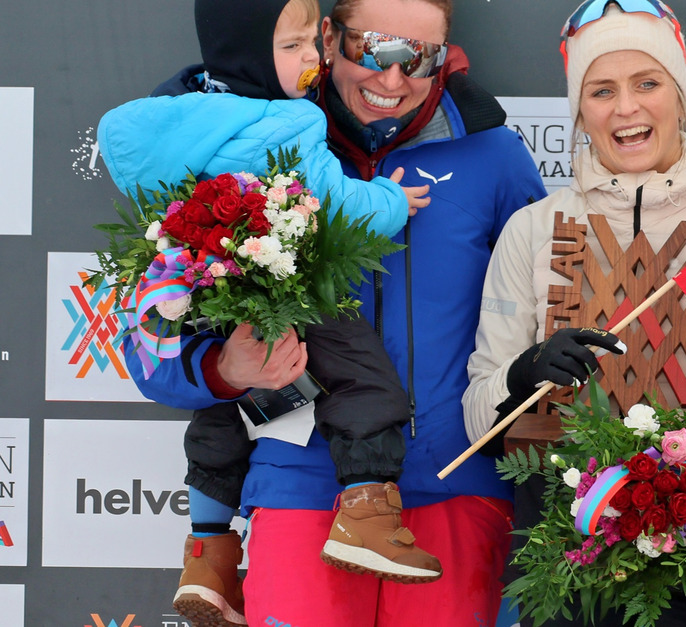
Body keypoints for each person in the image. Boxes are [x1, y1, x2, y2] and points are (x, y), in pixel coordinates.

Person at [121, 0, 547, 625]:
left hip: (455, 484)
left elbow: (546, 313)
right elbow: (153, 328)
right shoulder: (243, 143)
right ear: (328, 36)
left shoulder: (495, 156)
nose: (391, 78)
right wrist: (225, 369)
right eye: (370, 49)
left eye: (419, 57)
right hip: (300, 486)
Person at [463, 1, 686, 624]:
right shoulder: (532, 231)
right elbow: (476, 421)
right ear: (579, 112)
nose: (626, 108)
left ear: (680, 96)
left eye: (647, 83)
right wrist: (523, 375)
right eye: (601, 90)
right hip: (563, 564)